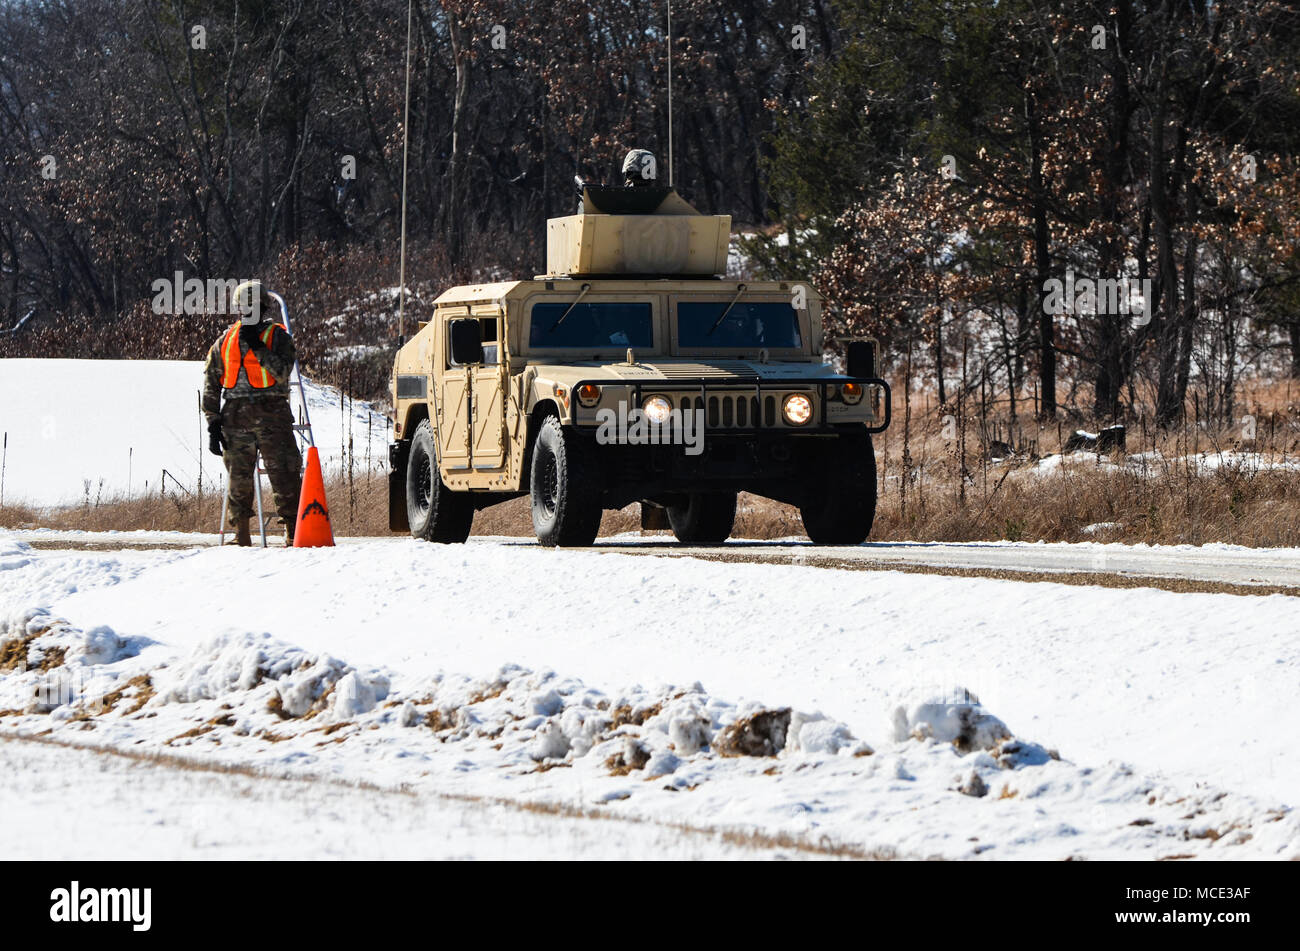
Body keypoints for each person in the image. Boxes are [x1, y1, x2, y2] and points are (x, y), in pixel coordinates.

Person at [202, 281, 301, 546]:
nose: (247, 311)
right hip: (238, 417)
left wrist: (258, 347)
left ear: (261, 307)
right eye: (243, 307)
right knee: (239, 477)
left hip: (271, 414)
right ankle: (242, 534)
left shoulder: (276, 337)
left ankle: (293, 531)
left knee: (285, 473)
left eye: (251, 306)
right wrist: (213, 422)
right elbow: (211, 382)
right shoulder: (226, 340)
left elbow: (282, 370)